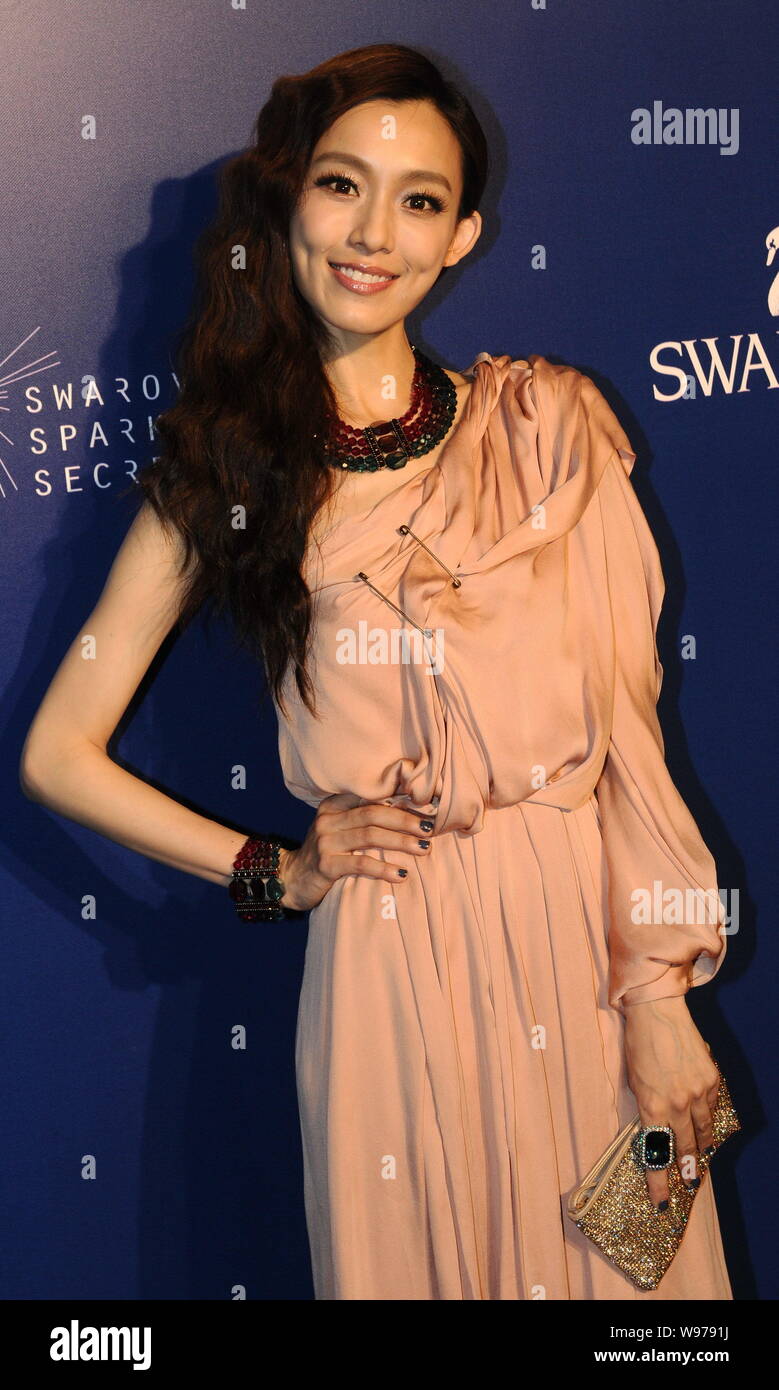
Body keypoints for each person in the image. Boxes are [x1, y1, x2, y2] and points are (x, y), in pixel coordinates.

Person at [19, 43, 733, 1300]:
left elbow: (630, 746)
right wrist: (273, 872)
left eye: (417, 201)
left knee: (636, 1299)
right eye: (342, 185)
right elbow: (55, 752)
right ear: (288, 203)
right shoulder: (225, 482)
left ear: (460, 237)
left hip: (586, 958)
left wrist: (661, 994)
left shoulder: (548, 428)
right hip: (387, 967)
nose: (373, 233)